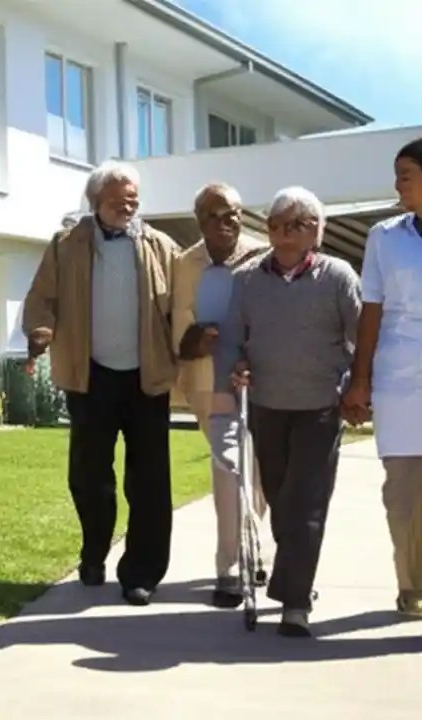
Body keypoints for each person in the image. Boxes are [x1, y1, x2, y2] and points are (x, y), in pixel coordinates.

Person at [22, 161, 181, 607]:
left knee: (150, 481)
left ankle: (141, 573)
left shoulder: (159, 245)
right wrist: (39, 330)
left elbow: (183, 304)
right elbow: (41, 298)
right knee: (89, 476)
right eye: (117, 201)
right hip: (89, 376)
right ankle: (94, 552)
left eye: (132, 200)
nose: (127, 207)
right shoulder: (67, 245)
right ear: (95, 203)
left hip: (147, 378)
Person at [218, 186, 362, 637]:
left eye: (295, 225)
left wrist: (357, 386)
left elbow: (362, 337)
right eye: (276, 225)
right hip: (267, 407)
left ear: (316, 230)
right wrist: (235, 368)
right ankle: (296, 581)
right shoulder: (246, 279)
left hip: (320, 407)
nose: (282, 234)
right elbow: (231, 339)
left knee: (306, 505)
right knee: (281, 501)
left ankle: (295, 602)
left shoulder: (338, 277)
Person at [171, 183, 270, 609]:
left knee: (262, 475)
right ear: (199, 221)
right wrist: (192, 340)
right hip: (209, 382)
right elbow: (176, 322)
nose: (224, 222)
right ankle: (227, 567)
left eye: (232, 213)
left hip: (262, 381)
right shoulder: (183, 264)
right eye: (213, 215)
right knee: (229, 470)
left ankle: (254, 547)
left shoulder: (264, 254)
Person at [342, 137, 422, 618]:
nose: (397, 185)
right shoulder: (384, 237)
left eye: (406, 174)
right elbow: (370, 312)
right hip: (399, 382)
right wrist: (360, 381)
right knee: (402, 497)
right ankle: (411, 586)